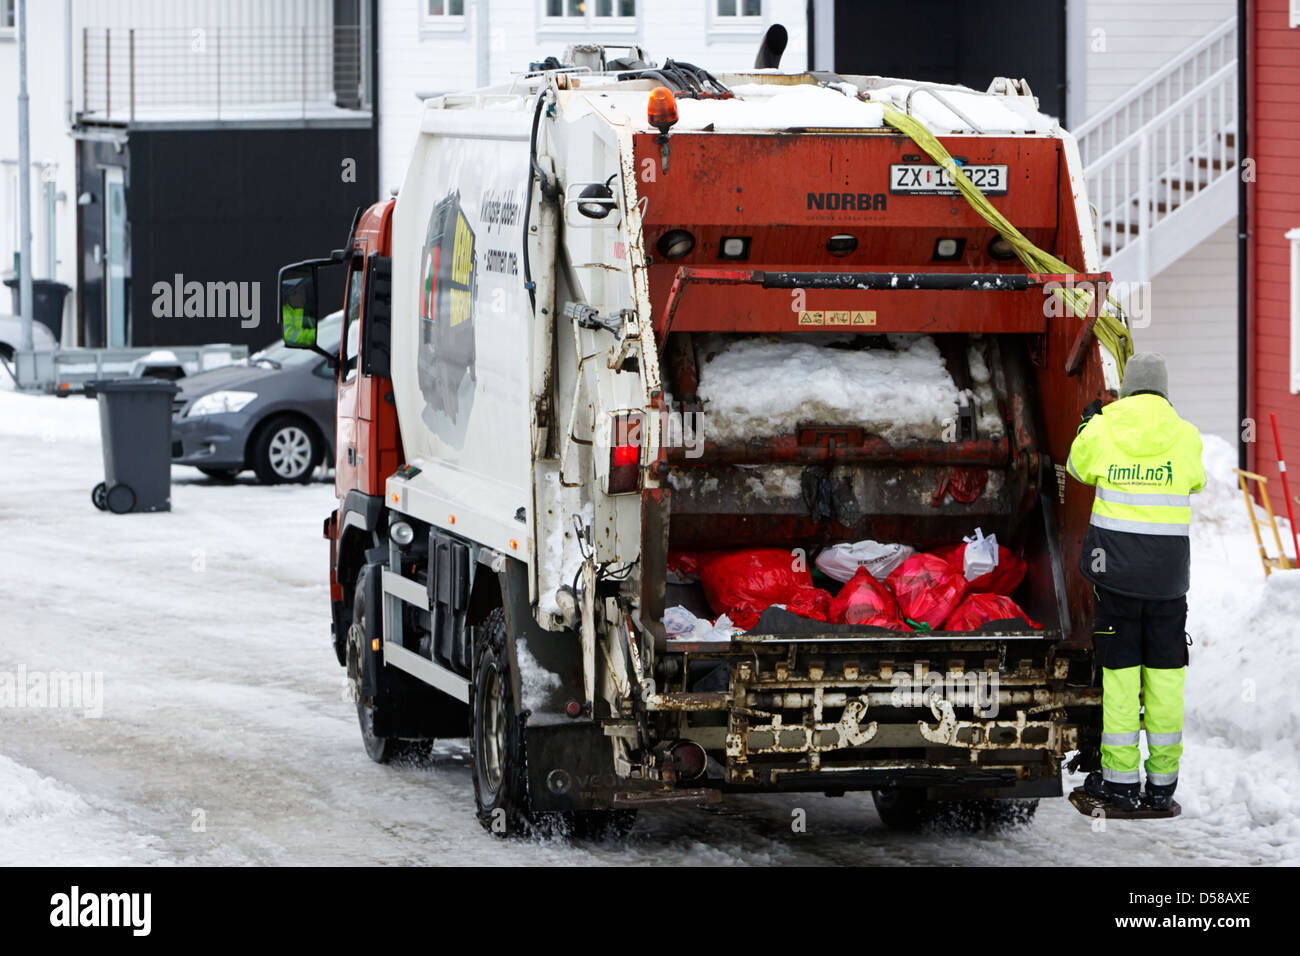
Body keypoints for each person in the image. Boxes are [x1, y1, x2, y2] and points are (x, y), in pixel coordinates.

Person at [1066, 353, 1205, 811]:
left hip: (1117, 578)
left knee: (1122, 679)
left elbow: (1077, 467)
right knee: (1166, 680)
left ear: (1126, 389)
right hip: (1167, 584)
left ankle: (1120, 785)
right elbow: (1195, 481)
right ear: (1164, 391)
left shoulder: (1105, 426)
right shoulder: (1185, 435)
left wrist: (1089, 424)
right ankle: (1162, 787)